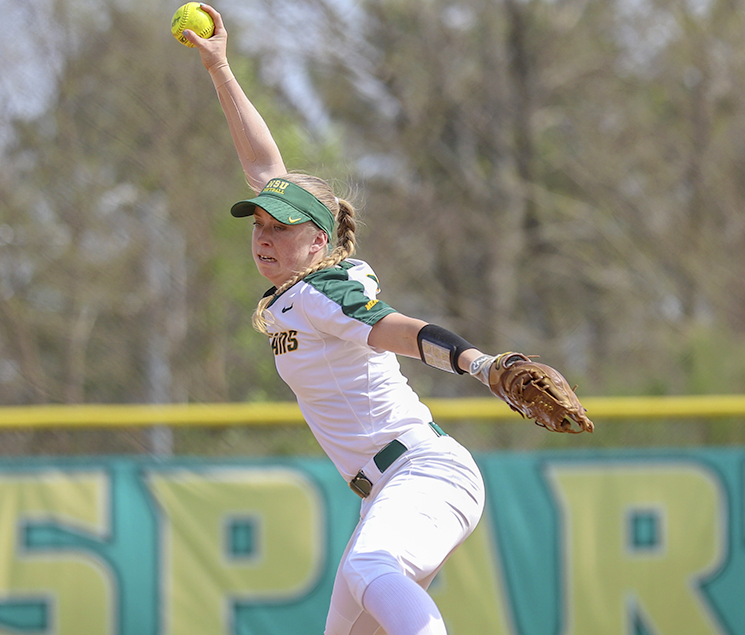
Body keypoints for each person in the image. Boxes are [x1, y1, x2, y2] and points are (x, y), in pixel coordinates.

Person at [186, 6, 508, 634]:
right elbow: (264, 169)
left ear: (320, 240)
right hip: (388, 490)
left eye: (281, 228)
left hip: (424, 472)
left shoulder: (322, 290)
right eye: (258, 226)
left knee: (370, 567)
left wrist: (481, 363)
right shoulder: (300, 282)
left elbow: (399, 331)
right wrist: (221, 68)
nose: (263, 238)